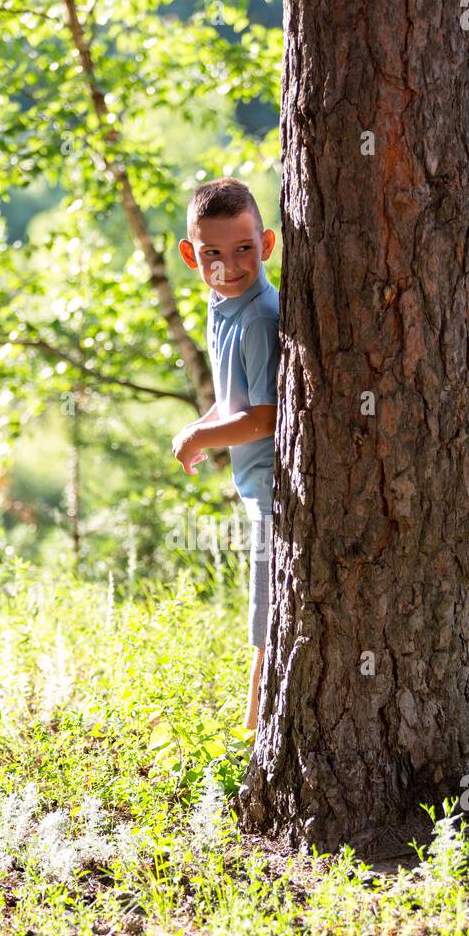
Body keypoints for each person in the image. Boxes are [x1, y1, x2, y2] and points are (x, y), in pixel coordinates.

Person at [173, 177, 279, 730]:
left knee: (266, 623)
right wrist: (201, 425)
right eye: (212, 253)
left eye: (243, 249)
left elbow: (265, 416)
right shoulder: (223, 308)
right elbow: (231, 403)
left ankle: (253, 738)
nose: (229, 265)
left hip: (278, 494)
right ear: (191, 255)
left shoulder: (261, 318)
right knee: (265, 614)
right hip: (255, 487)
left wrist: (201, 439)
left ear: (267, 244)